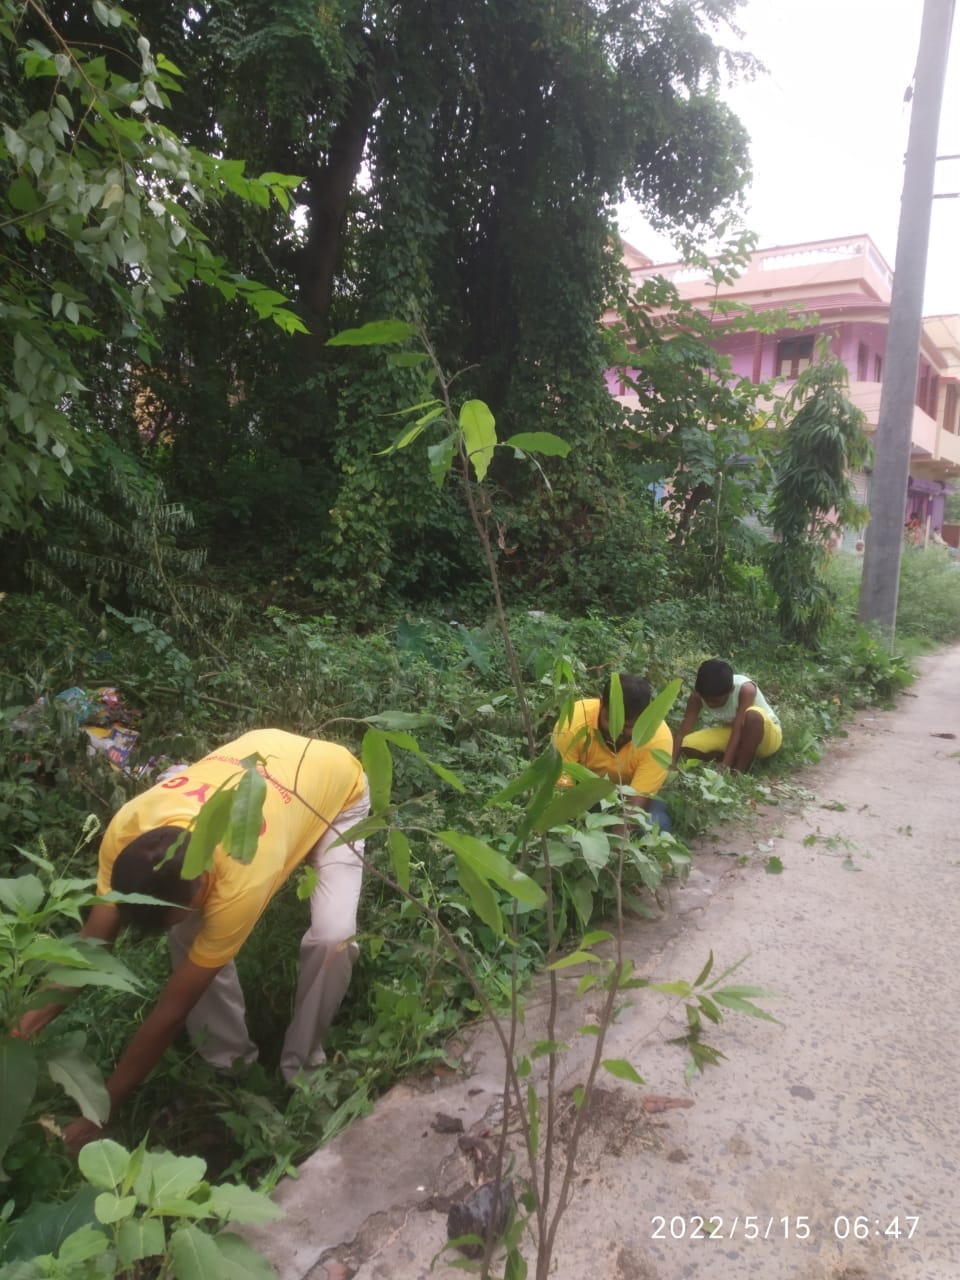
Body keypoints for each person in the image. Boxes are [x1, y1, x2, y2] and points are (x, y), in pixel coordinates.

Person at [16, 728, 369, 1151]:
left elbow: (170, 1011)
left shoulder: (241, 878)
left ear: (204, 884)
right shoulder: (128, 831)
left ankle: (305, 1071)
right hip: (265, 759)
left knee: (334, 939)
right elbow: (90, 948)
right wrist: (19, 1031)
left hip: (335, 789)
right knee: (189, 926)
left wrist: (101, 1111)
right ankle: (230, 1063)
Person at [552, 674, 673, 833]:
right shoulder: (572, 722)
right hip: (583, 795)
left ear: (645, 717)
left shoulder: (658, 740)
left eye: (629, 727)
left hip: (628, 798)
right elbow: (562, 791)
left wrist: (615, 853)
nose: (618, 732)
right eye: (611, 721)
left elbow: (634, 808)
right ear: (601, 702)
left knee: (658, 824)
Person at [672, 659, 781, 773]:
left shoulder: (745, 689)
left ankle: (738, 772)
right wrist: (671, 763)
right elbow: (682, 732)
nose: (710, 704)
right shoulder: (697, 697)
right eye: (707, 700)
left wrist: (724, 766)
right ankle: (735, 757)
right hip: (734, 735)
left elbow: (738, 729)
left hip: (766, 737)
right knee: (688, 745)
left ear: (730, 690)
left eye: (715, 701)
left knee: (753, 716)